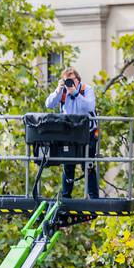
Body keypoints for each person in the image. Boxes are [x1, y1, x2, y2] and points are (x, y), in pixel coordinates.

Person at [44, 68, 99, 198]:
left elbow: (89, 106)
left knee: (88, 164)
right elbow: (49, 104)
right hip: (69, 132)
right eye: (66, 80)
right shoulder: (62, 93)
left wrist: (75, 93)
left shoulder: (86, 90)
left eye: (72, 79)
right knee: (68, 163)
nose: (69, 82)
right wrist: (58, 90)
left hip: (88, 131)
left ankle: (93, 196)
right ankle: (66, 196)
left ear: (78, 80)